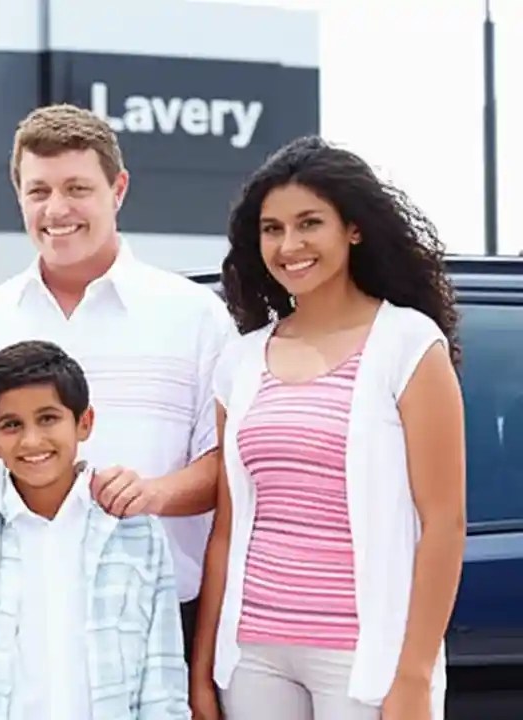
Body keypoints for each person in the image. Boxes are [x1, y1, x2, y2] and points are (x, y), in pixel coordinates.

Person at [0, 103, 236, 657]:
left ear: (118, 189)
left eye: (77, 188)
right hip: (14, 628)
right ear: (19, 195)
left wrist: (154, 494)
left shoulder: (194, 316)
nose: (57, 209)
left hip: (159, 622)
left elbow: (229, 465)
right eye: (38, 191)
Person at [189, 136, 466, 720]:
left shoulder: (408, 345)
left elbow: (444, 522)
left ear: (354, 229)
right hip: (255, 657)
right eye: (272, 229)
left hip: (363, 660)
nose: (289, 245)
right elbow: (227, 528)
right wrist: (204, 670)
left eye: (309, 223)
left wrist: (414, 676)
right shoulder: (239, 362)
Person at [0, 339, 190, 719]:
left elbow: (162, 673)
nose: (32, 440)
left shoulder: (132, 526)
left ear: (84, 422)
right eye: (12, 425)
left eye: (48, 418)